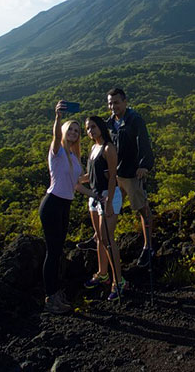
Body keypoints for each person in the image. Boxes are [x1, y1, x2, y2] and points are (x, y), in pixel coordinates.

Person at [39, 100, 85, 314]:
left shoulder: (75, 157)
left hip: (65, 204)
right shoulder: (57, 151)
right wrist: (57, 117)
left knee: (58, 252)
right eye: (71, 129)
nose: (74, 132)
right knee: (53, 251)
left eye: (77, 130)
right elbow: (56, 136)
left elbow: (77, 183)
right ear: (65, 131)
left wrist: (98, 188)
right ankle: (50, 298)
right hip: (52, 204)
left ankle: (56, 293)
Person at [105, 88, 155, 268]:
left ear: (125, 102)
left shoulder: (135, 120)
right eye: (110, 103)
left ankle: (148, 247)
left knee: (142, 209)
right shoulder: (110, 123)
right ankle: (101, 239)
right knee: (110, 207)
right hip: (116, 175)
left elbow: (144, 142)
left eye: (116, 102)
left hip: (132, 174)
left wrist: (144, 165)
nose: (113, 106)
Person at [79, 115, 126, 301]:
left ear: (101, 127)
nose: (91, 131)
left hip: (109, 197)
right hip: (95, 196)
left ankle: (119, 281)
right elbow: (92, 174)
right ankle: (103, 273)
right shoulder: (93, 148)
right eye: (88, 128)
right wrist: (76, 180)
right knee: (99, 238)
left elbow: (113, 177)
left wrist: (109, 201)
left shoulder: (108, 148)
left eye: (93, 127)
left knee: (107, 239)